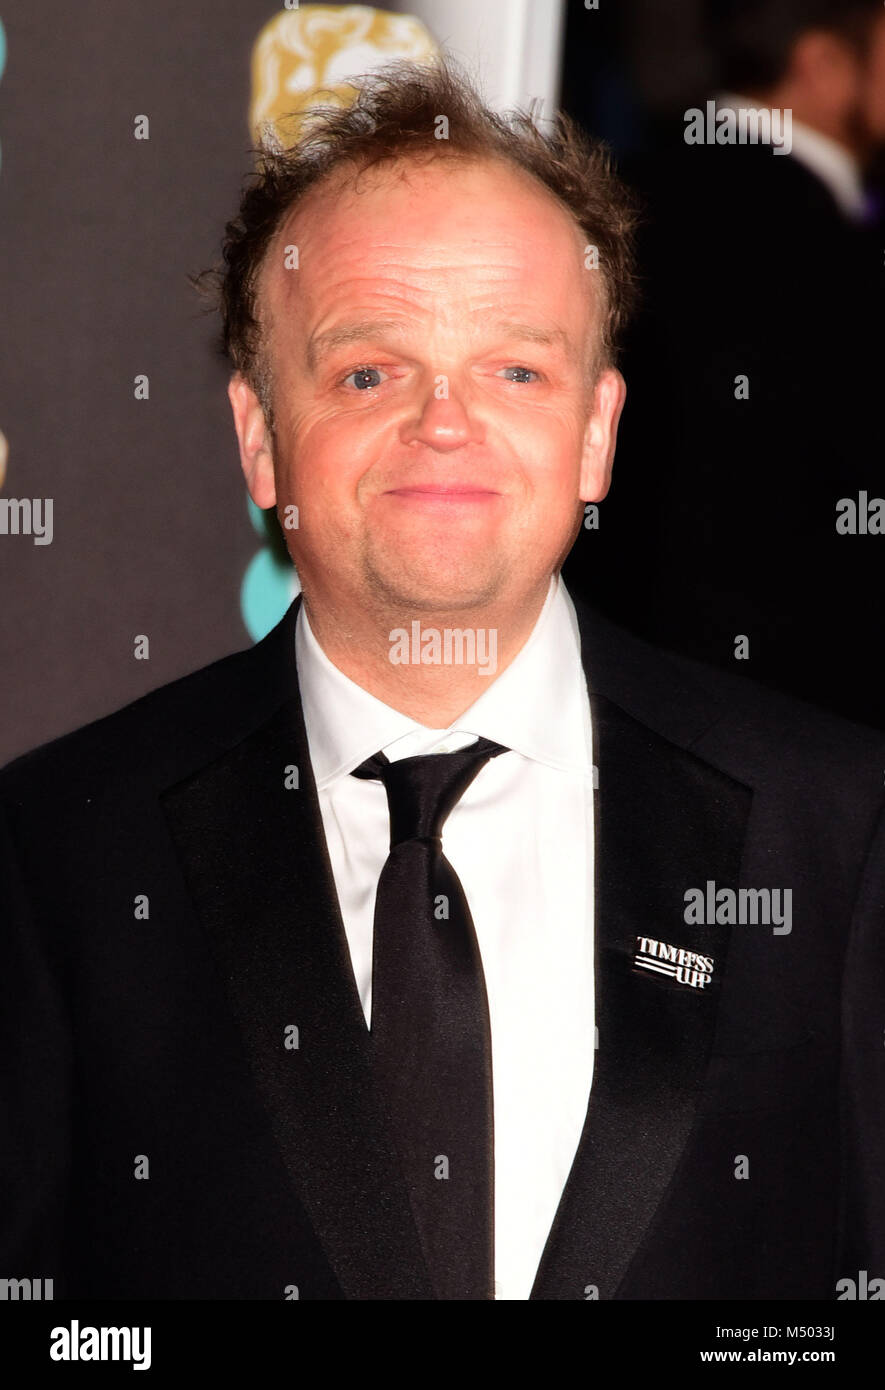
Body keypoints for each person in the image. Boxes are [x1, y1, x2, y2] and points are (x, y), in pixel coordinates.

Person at [1, 58, 883, 1301]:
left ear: (597, 432)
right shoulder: (55, 856)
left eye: (516, 370)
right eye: (370, 371)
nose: (446, 421)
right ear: (260, 439)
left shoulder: (836, 833)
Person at [564, 0, 885, 729]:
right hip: (806, 727)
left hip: (605, 692)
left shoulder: (608, 200)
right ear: (823, 63)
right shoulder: (835, 259)